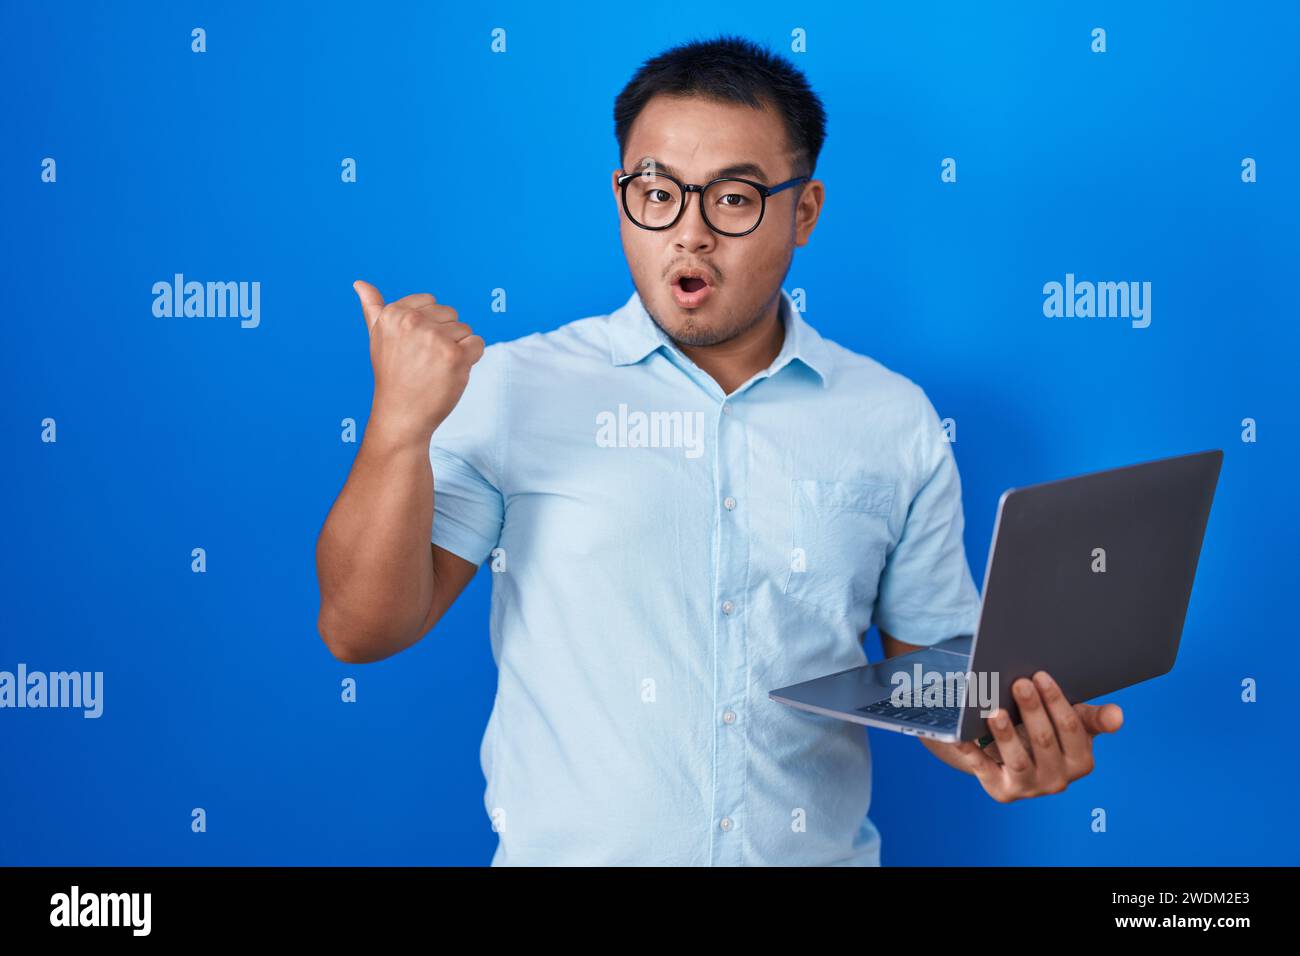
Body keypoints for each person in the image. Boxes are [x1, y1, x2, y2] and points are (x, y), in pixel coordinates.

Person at [315, 34, 1123, 866]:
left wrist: (1004, 739)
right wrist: (398, 427)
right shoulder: (515, 388)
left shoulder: (893, 416)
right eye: (656, 192)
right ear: (621, 194)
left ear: (803, 211)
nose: (689, 233)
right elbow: (361, 631)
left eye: (733, 199)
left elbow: (931, 683)